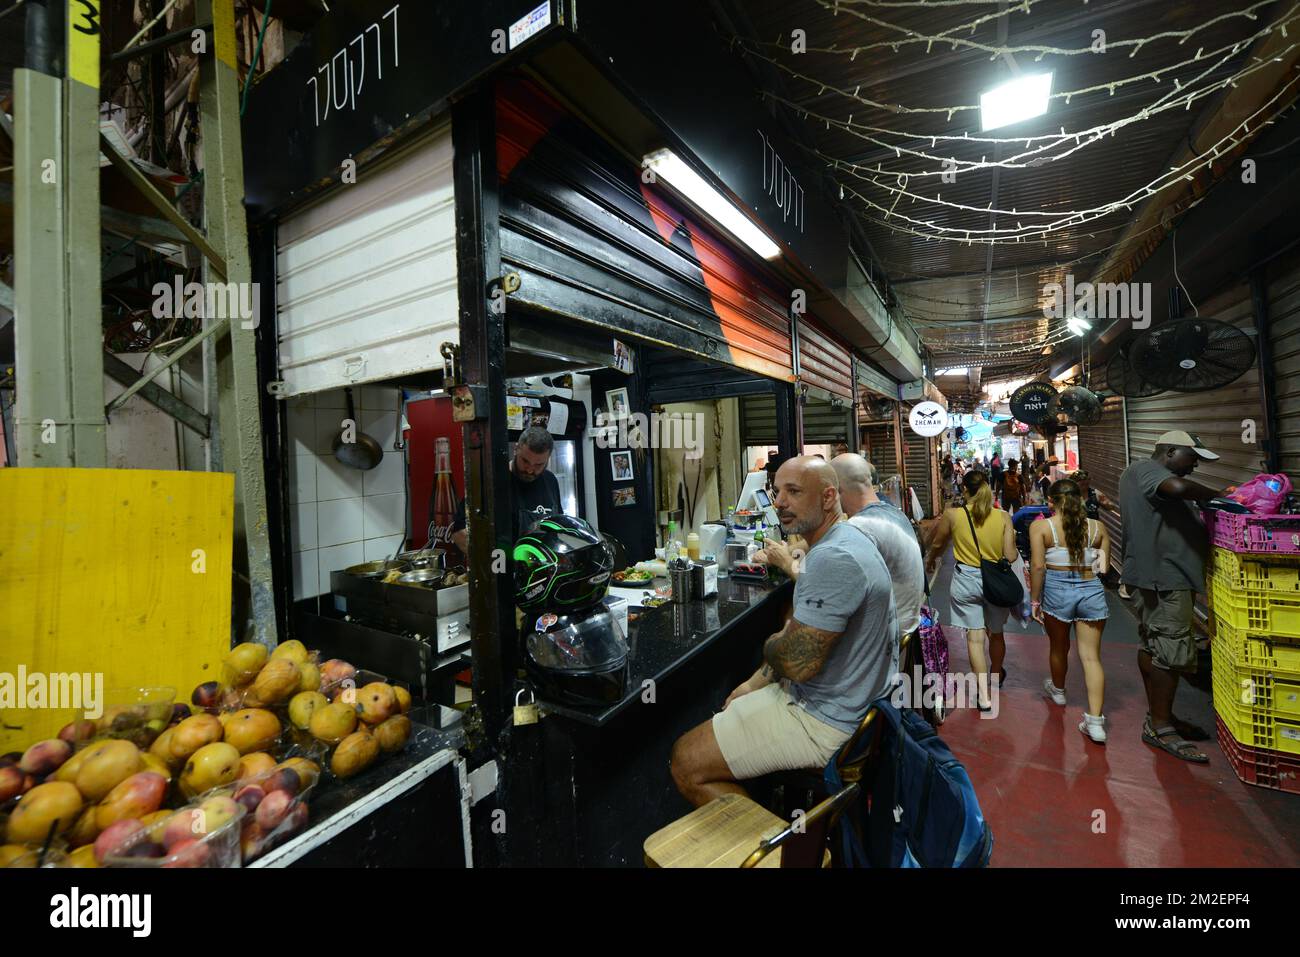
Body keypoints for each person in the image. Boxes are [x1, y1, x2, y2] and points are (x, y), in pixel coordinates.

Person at [670, 456, 898, 807]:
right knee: (734, 704)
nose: (778, 502)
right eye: (777, 491)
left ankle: (776, 856)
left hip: (826, 721)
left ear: (827, 497)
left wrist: (775, 641)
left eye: (793, 491)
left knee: (685, 761)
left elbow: (795, 661)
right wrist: (754, 681)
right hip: (850, 704)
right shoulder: (845, 538)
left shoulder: (834, 557)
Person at [1120, 430, 1224, 763]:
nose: (1193, 466)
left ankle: (1161, 716)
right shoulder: (1148, 470)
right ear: (1170, 451)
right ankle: (1160, 726)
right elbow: (1177, 488)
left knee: (1154, 645)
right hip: (1164, 579)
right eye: (1192, 458)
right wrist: (1217, 496)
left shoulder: (1143, 473)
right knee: (1171, 649)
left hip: (1157, 577)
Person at [761, 454, 925, 643]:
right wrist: (781, 551)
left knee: (789, 615)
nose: (780, 502)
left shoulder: (860, 529)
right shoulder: (889, 512)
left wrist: (785, 561)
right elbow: (812, 544)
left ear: (832, 494)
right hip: (906, 622)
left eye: (795, 491)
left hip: (884, 635)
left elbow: (821, 586)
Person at [923, 470, 1018, 710]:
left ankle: (984, 697)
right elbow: (1011, 555)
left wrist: (931, 559)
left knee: (975, 639)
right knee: (996, 634)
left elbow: (938, 543)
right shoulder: (1003, 517)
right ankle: (996, 676)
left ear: (964, 489)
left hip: (966, 580)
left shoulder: (954, 515)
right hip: (995, 580)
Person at [1029, 479, 1112, 743]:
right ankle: (1095, 722)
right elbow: (1104, 569)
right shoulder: (1097, 527)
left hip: (1057, 589)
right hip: (1091, 588)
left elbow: (1039, 568)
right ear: (1079, 499)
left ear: (1050, 501)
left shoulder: (1042, 527)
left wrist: (1034, 601)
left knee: (1058, 646)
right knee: (1091, 657)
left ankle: (1059, 690)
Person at [450, 426, 562, 554]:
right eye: (525, 461)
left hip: (543, 568)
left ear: (548, 458)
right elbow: (459, 533)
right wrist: (496, 564)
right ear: (516, 449)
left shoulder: (550, 480)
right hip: (504, 568)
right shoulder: (491, 481)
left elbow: (557, 525)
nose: (530, 470)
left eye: (539, 465)